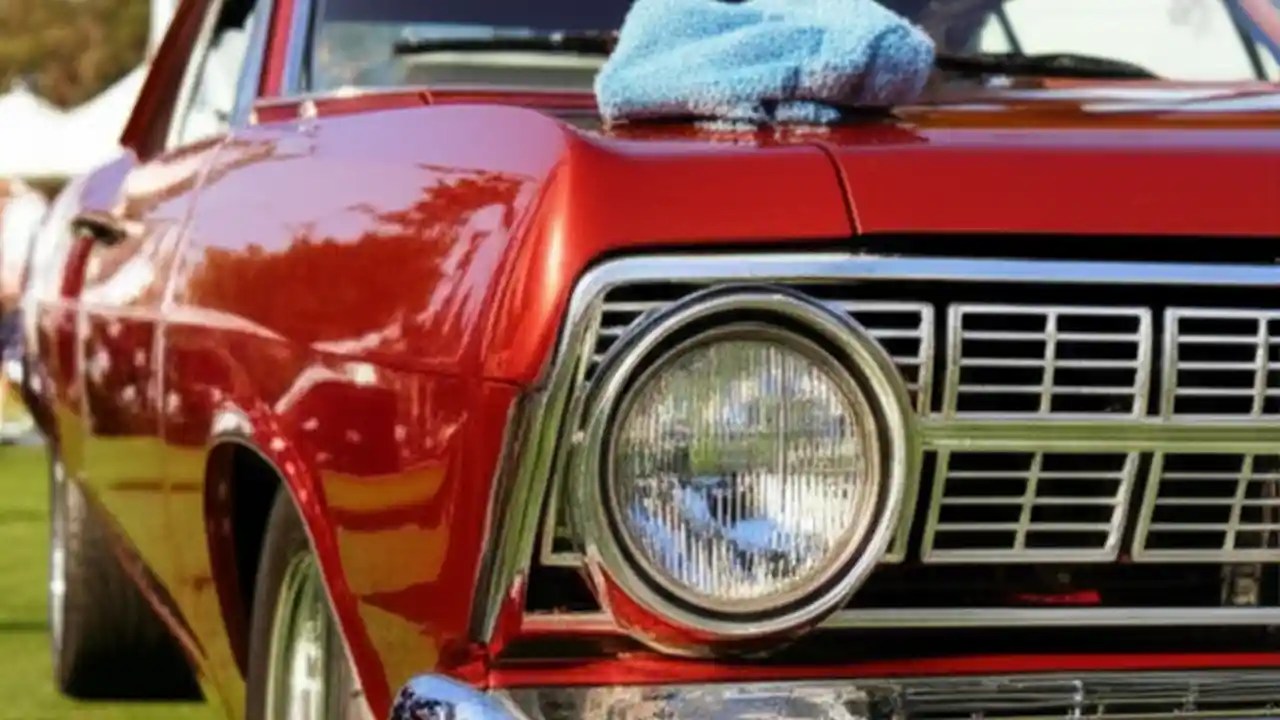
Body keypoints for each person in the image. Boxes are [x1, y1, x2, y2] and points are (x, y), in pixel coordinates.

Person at [0, 178, 48, 441]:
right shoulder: (30, 209)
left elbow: (15, 261)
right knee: (13, 361)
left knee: (15, 361)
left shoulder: (25, 211)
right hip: (20, 294)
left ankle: (30, 413)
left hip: (21, 296)